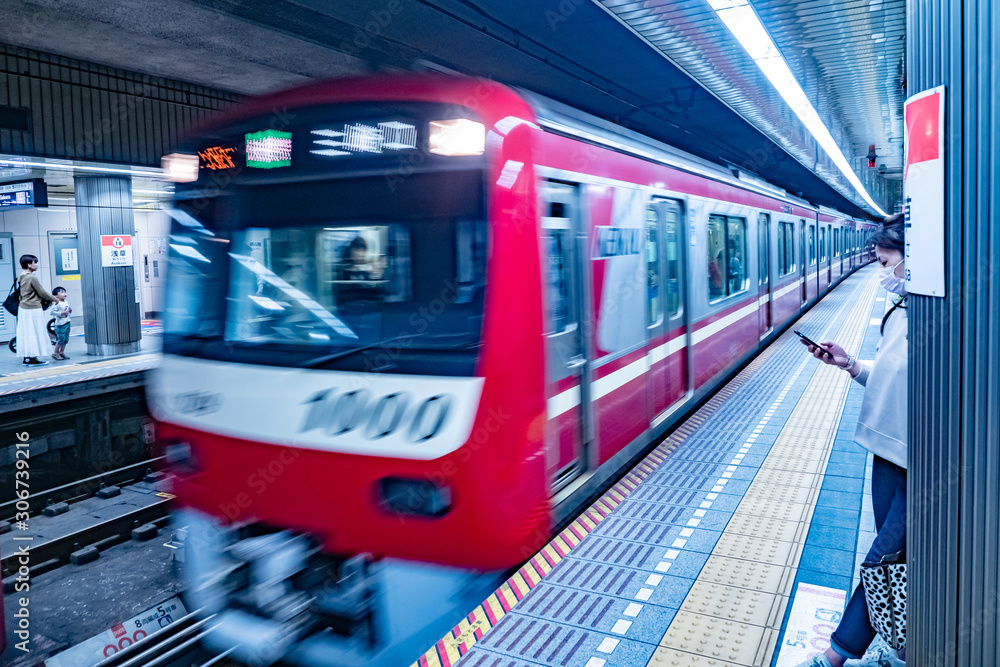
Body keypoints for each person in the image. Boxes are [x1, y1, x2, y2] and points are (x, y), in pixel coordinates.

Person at [795, 215, 907, 667]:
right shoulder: (900, 310)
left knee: (884, 558)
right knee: (895, 558)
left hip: (923, 454)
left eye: (887, 258)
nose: (880, 267)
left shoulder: (942, 313)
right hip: (886, 447)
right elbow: (891, 375)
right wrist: (848, 365)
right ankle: (898, 647)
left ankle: (835, 656)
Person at [16, 254, 56, 366]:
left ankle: (27, 358)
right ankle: (33, 359)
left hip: (23, 308)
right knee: (35, 332)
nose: (37, 265)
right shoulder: (32, 277)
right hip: (33, 308)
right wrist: (55, 299)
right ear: (29, 264)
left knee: (26, 333)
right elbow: (42, 292)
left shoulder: (21, 276)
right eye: (35, 262)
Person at [50, 286, 72, 360]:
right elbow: (52, 312)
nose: (64, 294)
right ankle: (56, 353)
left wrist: (69, 310)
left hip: (67, 322)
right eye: (62, 292)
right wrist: (61, 313)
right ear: (56, 295)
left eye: (65, 292)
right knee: (60, 339)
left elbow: (67, 309)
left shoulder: (66, 302)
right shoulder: (57, 303)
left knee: (66, 339)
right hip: (60, 324)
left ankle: (62, 352)